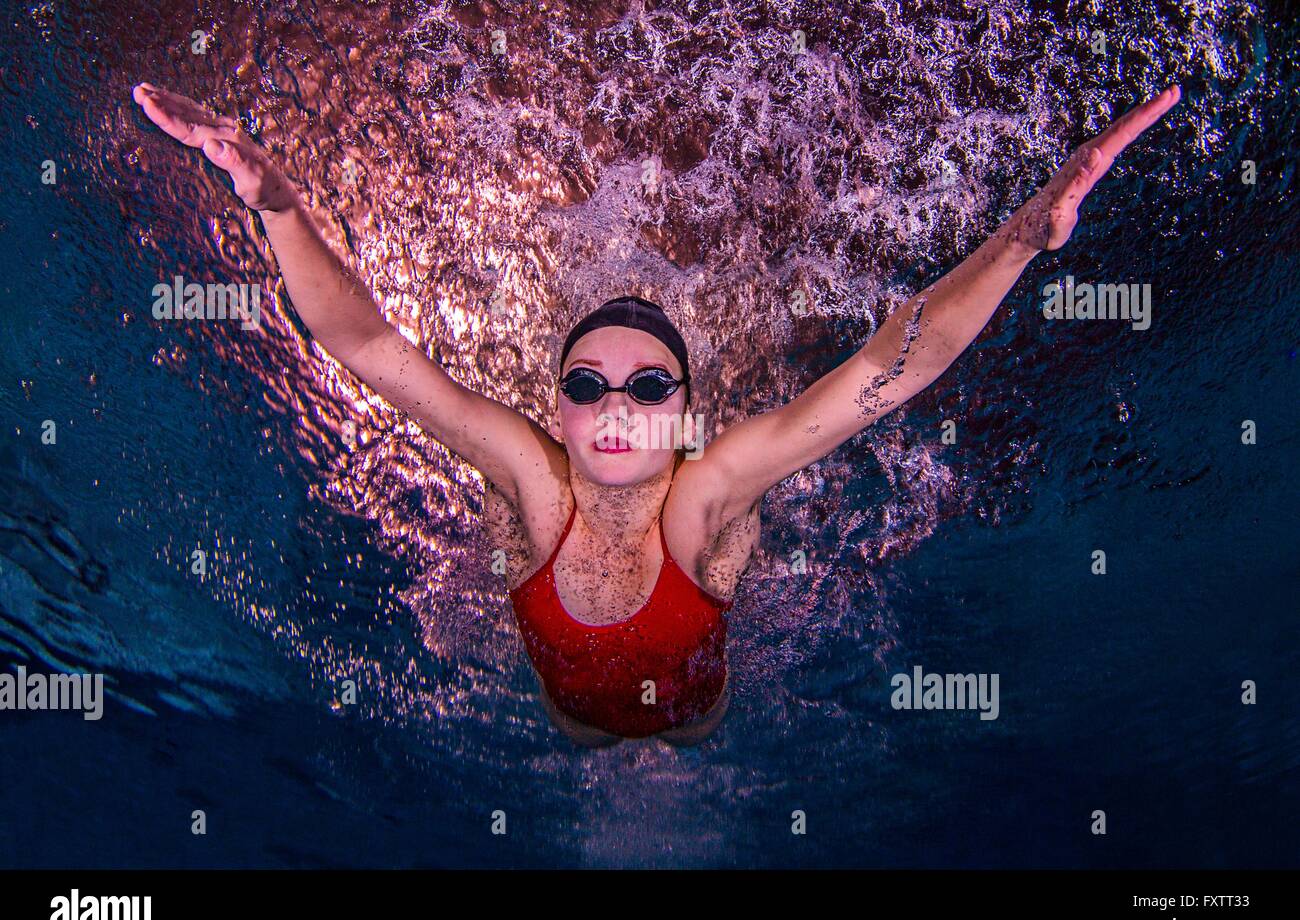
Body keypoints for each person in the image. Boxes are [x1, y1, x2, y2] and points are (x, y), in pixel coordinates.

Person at [130, 80, 1182, 747]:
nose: (614, 407)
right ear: (558, 407)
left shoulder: (705, 495)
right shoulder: (530, 478)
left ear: (683, 414)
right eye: (587, 385)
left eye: (647, 385)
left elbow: (888, 372)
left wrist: (1017, 240)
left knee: (691, 698)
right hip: (562, 716)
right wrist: (278, 204)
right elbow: (369, 349)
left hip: (697, 718)